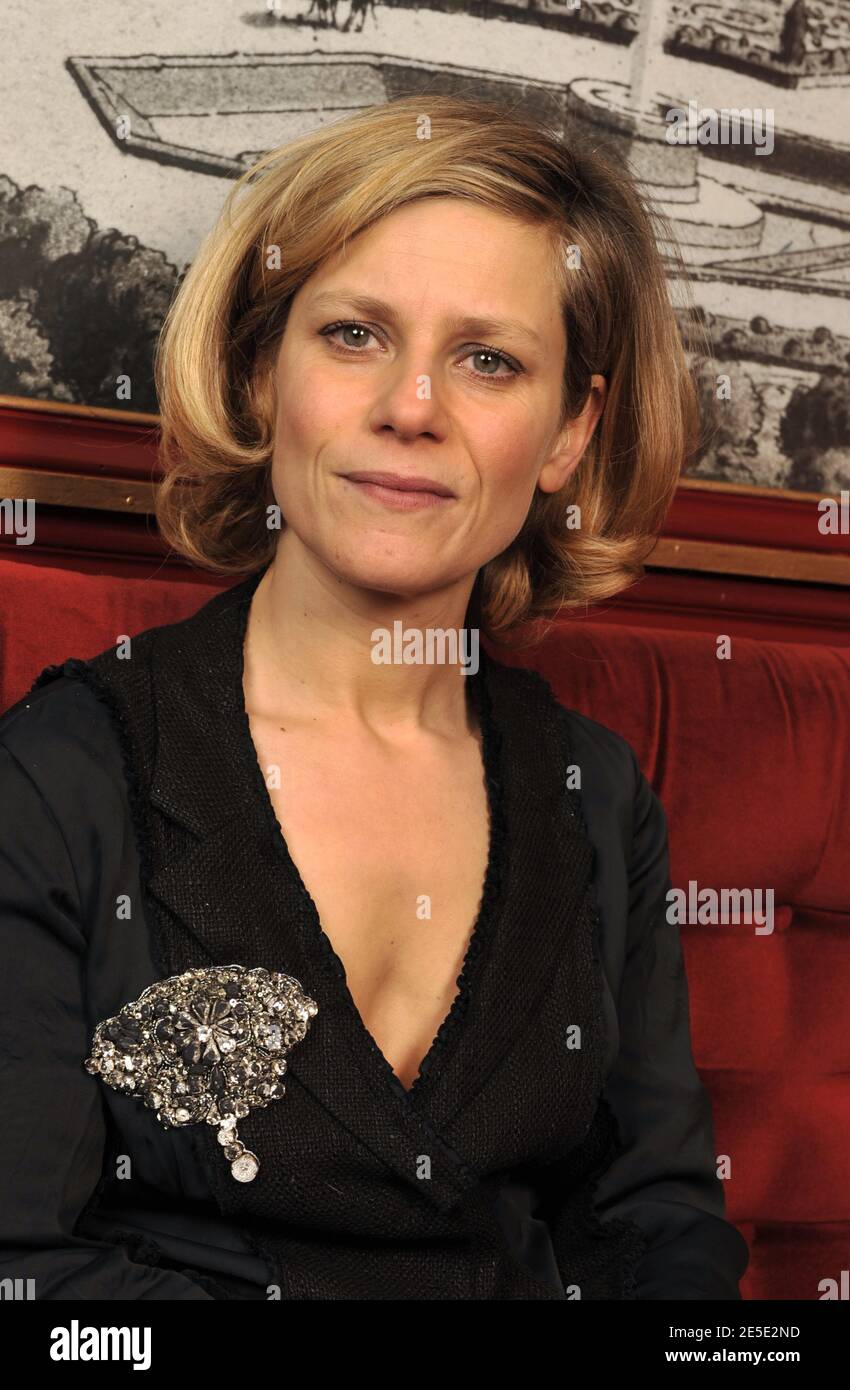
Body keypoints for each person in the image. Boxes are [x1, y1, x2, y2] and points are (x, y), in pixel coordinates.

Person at [0, 94, 749, 1300]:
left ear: (566, 435)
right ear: (260, 375)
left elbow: (652, 1222)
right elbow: (27, 1280)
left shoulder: (594, 793)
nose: (411, 407)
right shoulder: (60, 774)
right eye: (354, 336)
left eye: (488, 360)